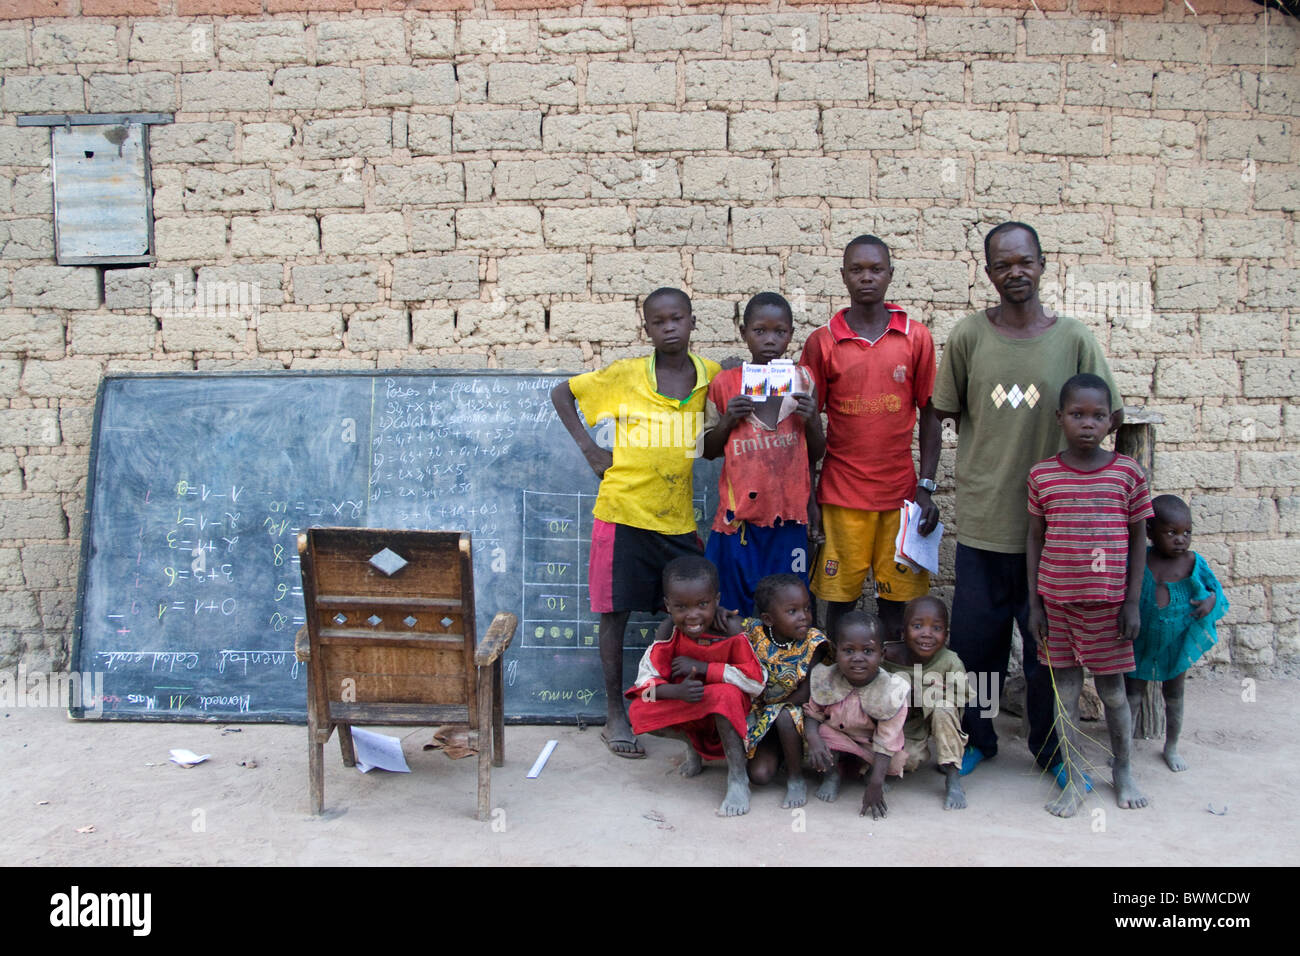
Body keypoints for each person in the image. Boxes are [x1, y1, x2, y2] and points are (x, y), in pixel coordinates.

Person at [932, 221, 1123, 779]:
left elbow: (1108, 416)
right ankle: (979, 738)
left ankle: (1051, 748)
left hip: (1057, 535)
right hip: (986, 524)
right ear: (988, 272)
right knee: (977, 648)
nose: (1014, 272)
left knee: (1049, 653)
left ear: (1042, 264)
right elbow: (939, 411)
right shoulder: (968, 336)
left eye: (1024, 261)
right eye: (1002, 264)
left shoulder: (1074, 340)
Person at [551, 288, 721, 759]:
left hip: (677, 517)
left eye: (677, 318)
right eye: (658, 321)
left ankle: (675, 706)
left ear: (692, 322)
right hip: (622, 512)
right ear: (646, 328)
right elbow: (561, 392)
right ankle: (614, 714)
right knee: (615, 615)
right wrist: (590, 449)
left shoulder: (710, 376)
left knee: (690, 615)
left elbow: (718, 438)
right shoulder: (625, 375)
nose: (669, 327)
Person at [799, 236, 941, 643]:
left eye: (875, 269)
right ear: (843, 276)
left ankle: (891, 699)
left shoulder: (915, 338)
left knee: (896, 608)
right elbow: (805, 428)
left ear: (890, 275)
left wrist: (926, 488)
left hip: (900, 499)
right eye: (857, 270)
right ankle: (839, 699)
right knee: (839, 604)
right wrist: (809, 498)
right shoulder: (823, 342)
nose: (866, 278)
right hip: (842, 498)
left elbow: (931, 416)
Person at [1026, 374, 1153, 817]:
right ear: (1060, 418)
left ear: (1112, 422)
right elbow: (1035, 540)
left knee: (1114, 694)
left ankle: (1123, 769)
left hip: (1109, 608)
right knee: (1067, 694)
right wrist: (1036, 605)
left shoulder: (1127, 473)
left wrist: (1132, 601)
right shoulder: (1043, 476)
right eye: (1077, 415)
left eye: (1098, 416)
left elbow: (1139, 540)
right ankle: (1075, 776)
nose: (1087, 424)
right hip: (1058, 606)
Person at [702, 293, 825, 617]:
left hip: (787, 521)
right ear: (743, 332)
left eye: (779, 331)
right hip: (737, 522)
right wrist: (729, 419)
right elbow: (706, 451)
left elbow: (816, 451)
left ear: (791, 333)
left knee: (787, 611)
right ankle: (736, 668)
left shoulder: (803, 381)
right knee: (730, 611)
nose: (770, 340)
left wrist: (812, 419)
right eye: (760, 331)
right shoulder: (725, 384)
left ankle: (780, 668)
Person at [626, 555, 766, 816]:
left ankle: (737, 778)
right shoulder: (667, 633)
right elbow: (643, 686)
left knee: (724, 695)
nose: (692, 615)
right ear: (668, 606)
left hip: (734, 716)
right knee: (638, 711)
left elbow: (756, 682)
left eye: (702, 604)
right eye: (681, 606)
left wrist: (707, 669)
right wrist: (674, 691)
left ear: (717, 601)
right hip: (689, 708)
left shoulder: (731, 629)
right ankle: (693, 744)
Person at [1126, 494, 1228, 773]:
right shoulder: (1139, 559)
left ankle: (1171, 747)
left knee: (1174, 695)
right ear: (1149, 532)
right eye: (1171, 532)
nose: (1181, 539)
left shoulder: (1193, 563)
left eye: (1187, 533)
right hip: (1140, 643)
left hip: (1176, 645)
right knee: (1131, 695)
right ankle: (1124, 750)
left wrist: (1209, 601)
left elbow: (1216, 592)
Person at [803, 611, 910, 819]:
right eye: (848, 650)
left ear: (882, 654)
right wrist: (813, 739)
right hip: (837, 737)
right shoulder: (826, 678)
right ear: (836, 652)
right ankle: (832, 776)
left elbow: (886, 741)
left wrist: (875, 783)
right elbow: (813, 715)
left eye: (868, 651)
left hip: (873, 744)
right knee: (818, 734)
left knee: (897, 763)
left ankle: (868, 772)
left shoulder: (891, 691)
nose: (857, 658)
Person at [741, 573, 829, 809]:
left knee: (783, 716)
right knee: (759, 776)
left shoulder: (813, 641)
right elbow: (725, 625)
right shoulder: (755, 632)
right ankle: (781, 753)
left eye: (807, 608)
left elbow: (807, 692)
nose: (804, 617)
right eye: (793, 612)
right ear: (768, 619)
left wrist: (773, 710)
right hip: (764, 717)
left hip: (799, 715)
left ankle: (795, 777)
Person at [883, 594, 971, 810]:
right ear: (903, 632)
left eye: (937, 628)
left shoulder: (949, 661)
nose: (927, 634)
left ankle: (952, 776)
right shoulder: (885, 656)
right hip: (903, 724)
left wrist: (928, 696)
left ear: (946, 635)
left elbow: (963, 695)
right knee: (906, 761)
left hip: (939, 717)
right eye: (917, 626)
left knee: (943, 709)